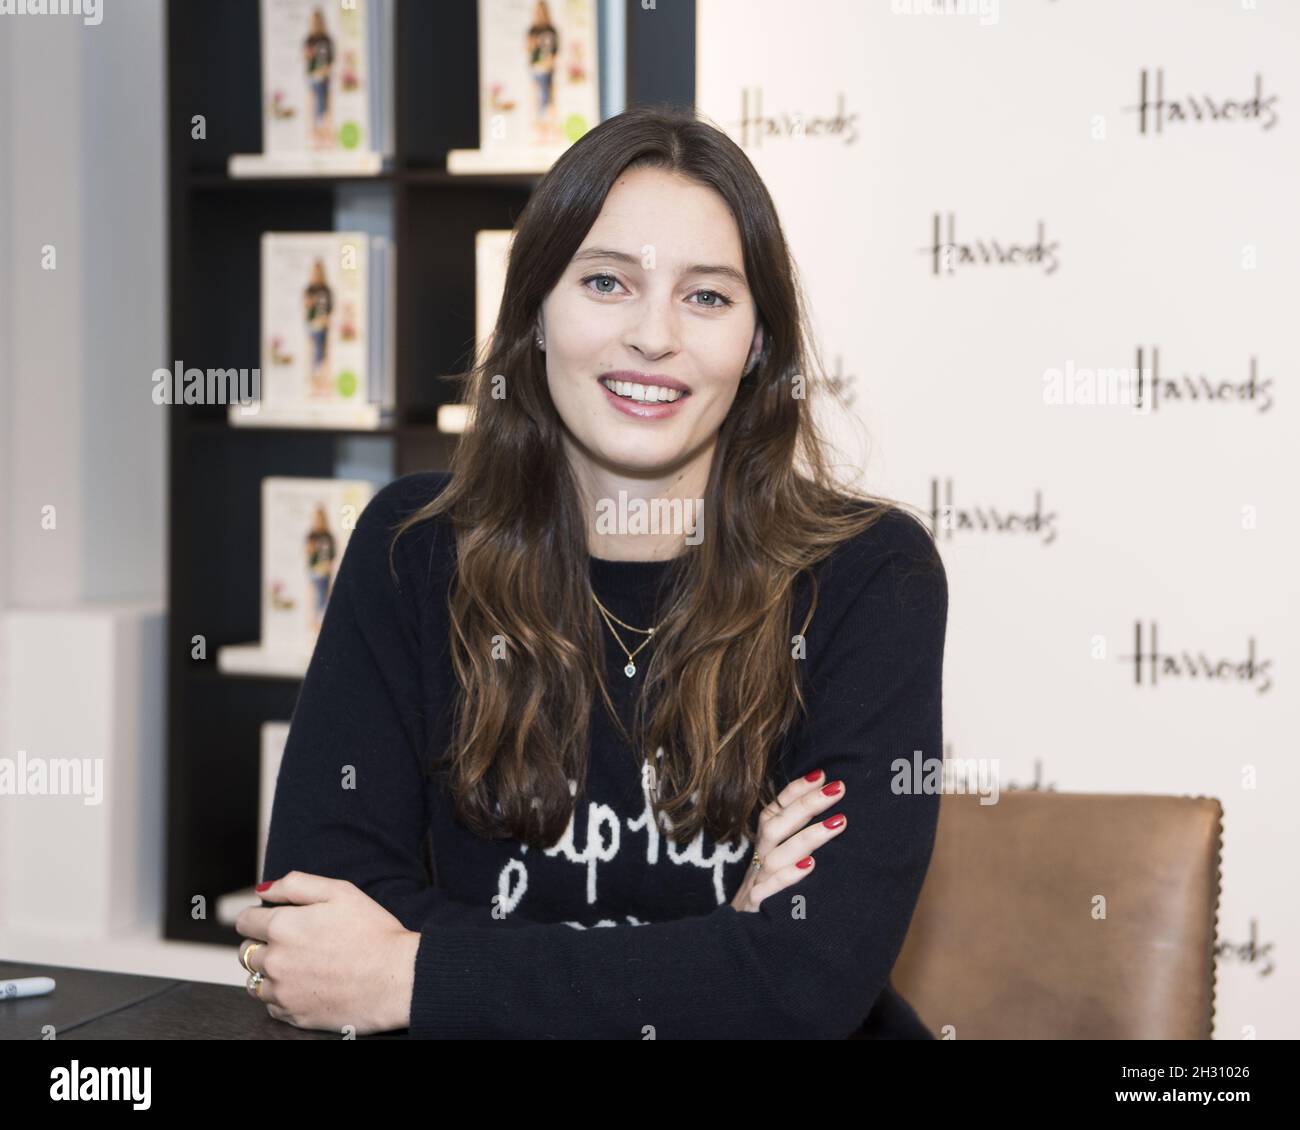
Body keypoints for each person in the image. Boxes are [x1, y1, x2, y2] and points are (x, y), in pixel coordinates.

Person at [237, 105, 948, 1040]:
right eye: (607, 281)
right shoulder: (412, 551)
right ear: (535, 312)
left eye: (707, 296)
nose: (654, 337)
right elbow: (314, 927)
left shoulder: (868, 576)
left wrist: (415, 970)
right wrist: (723, 948)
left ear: (757, 345)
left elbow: (807, 983)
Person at [526, 0, 560, 144]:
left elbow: (556, 49)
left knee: (549, 100)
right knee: (538, 100)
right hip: (536, 70)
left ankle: (552, 130)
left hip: (548, 70)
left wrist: (550, 62)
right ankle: (540, 132)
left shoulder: (551, 30)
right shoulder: (533, 30)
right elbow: (528, 49)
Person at [303, 7, 334, 148]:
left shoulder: (327, 39)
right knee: (313, 105)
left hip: (325, 77)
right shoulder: (309, 39)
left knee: (325, 106)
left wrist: (325, 70)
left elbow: (331, 58)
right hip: (312, 77)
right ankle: (315, 135)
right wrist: (311, 53)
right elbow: (305, 57)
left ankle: (325, 134)